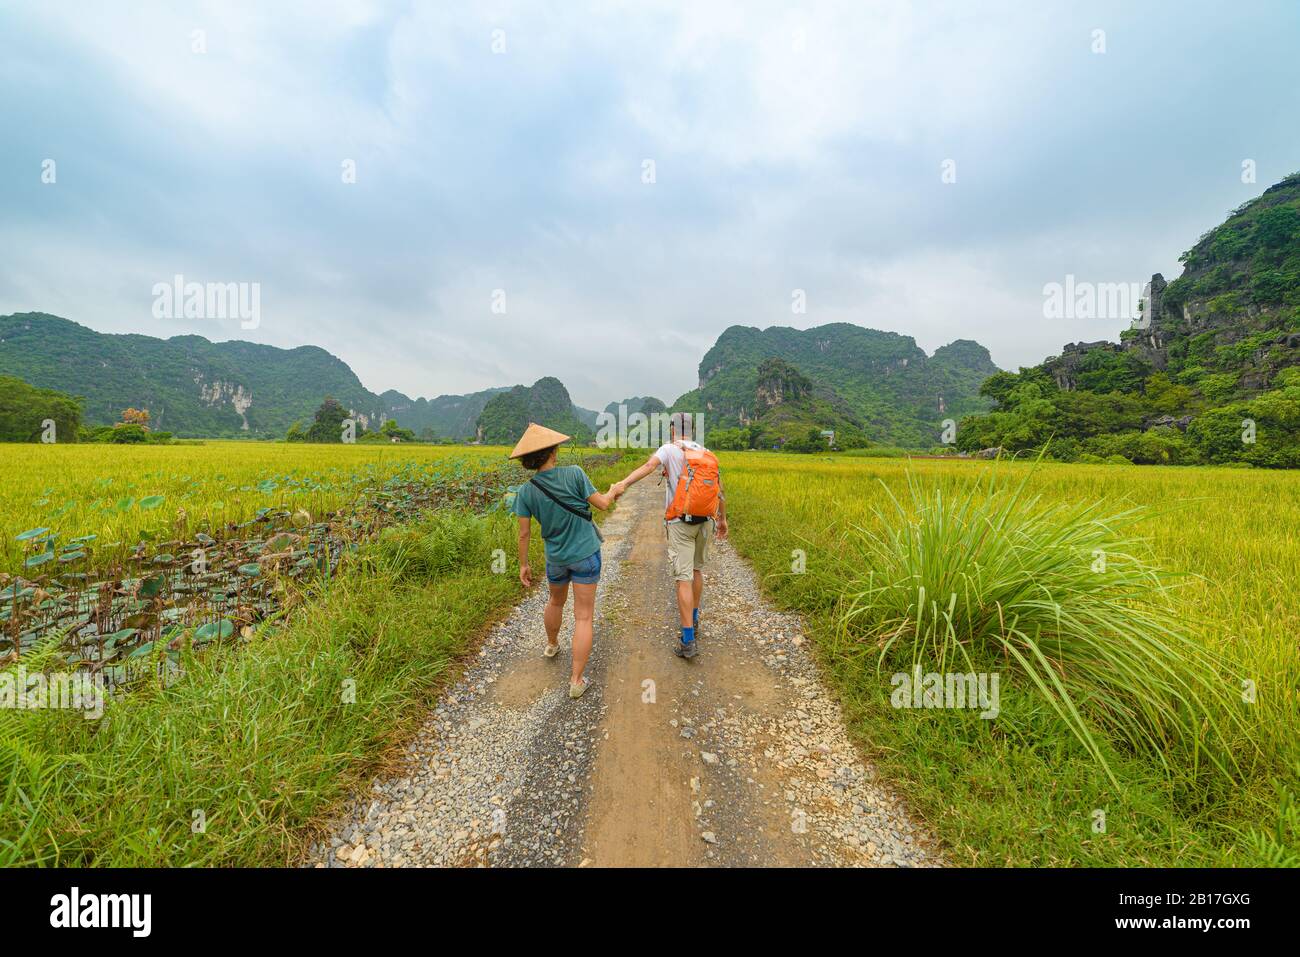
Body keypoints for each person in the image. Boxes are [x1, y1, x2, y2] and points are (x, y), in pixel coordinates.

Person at [511, 423, 619, 699]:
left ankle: (551, 644)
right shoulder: (574, 474)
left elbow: (524, 533)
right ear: (552, 452)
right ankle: (576, 680)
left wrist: (523, 564)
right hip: (585, 555)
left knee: (555, 601)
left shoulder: (526, 491)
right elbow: (603, 504)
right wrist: (614, 490)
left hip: (556, 558)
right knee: (583, 616)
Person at [611, 412, 727, 659]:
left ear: (673, 429)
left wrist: (623, 484)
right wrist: (723, 519)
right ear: (692, 430)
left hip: (680, 522)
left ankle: (687, 640)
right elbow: (719, 488)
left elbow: (648, 466)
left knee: (682, 578)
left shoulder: (669, 449)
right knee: (696, 571)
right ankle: (694, 620)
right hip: (706, 520)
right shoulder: (705, 452)